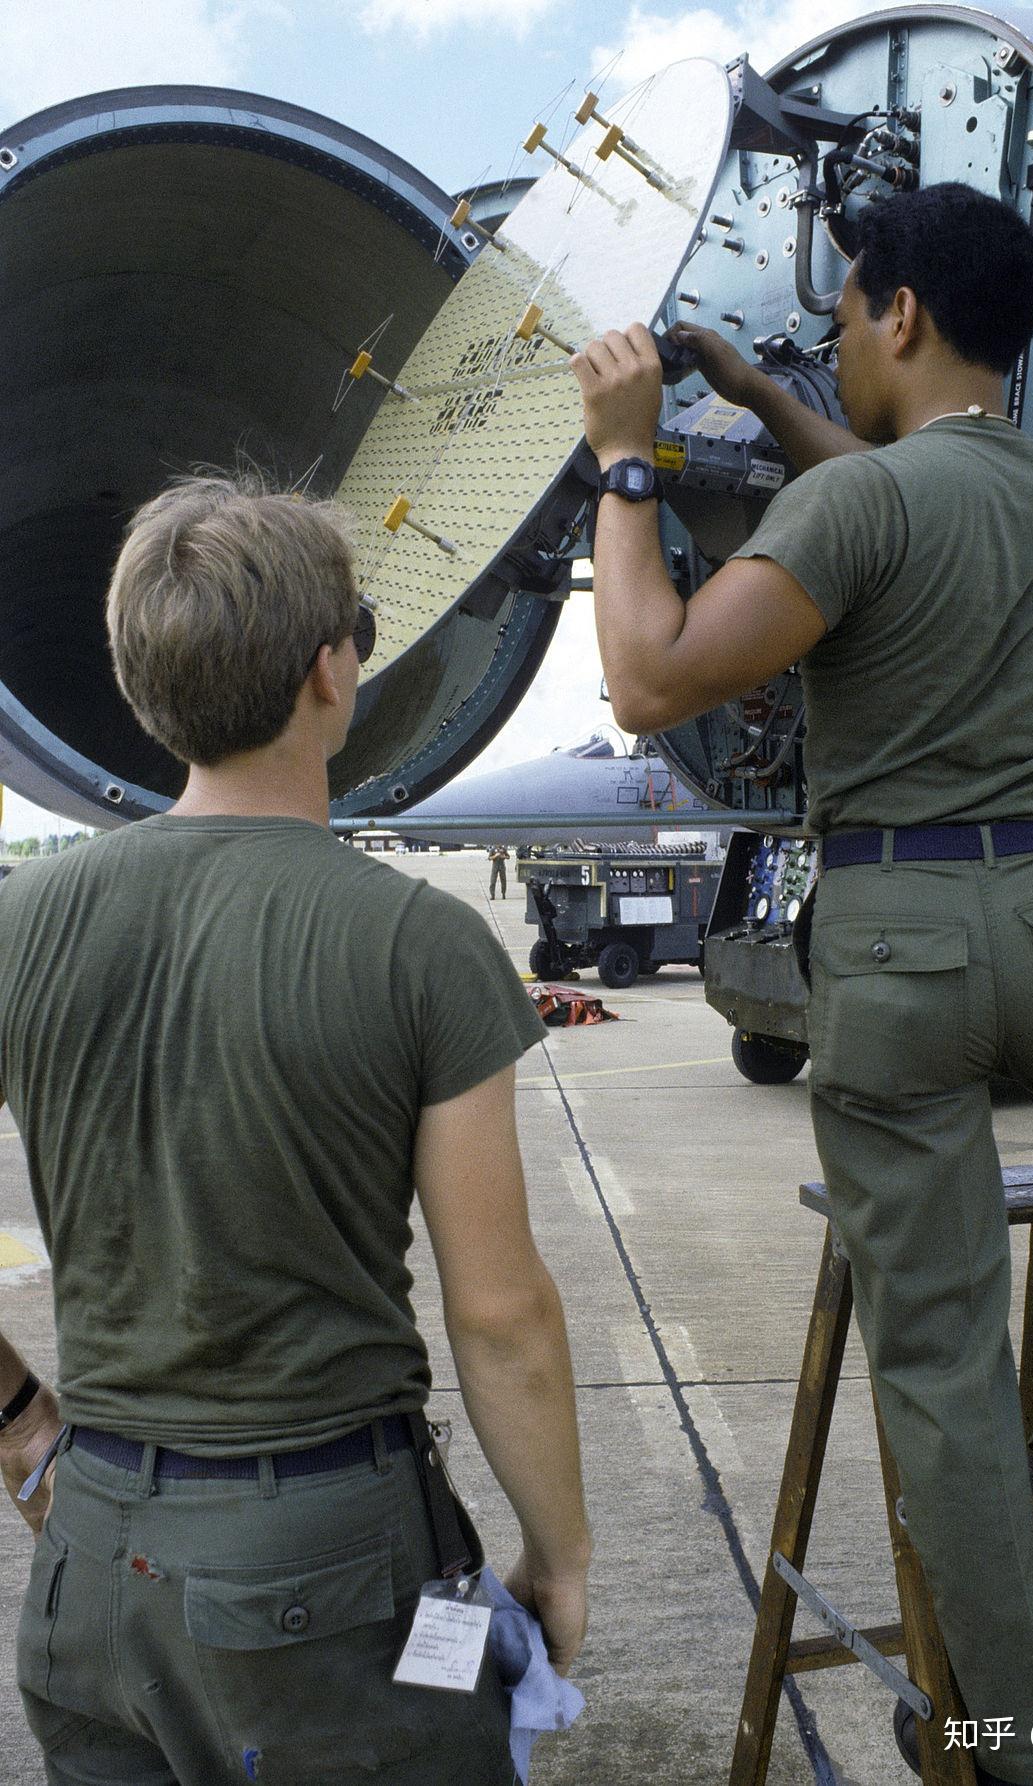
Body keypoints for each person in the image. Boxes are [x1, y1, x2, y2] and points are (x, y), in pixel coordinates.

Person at [569, 180, 1033, 1786]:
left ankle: (1025, 1750)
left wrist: (629, 460)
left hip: (899, 953)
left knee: (942, 1380)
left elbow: (646, 677)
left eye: (846, 317)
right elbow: (900, 487)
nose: (838, 342)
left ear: (900, 312)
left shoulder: (850, 519)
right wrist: (767, 390)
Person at [0, 474, 591, 1786]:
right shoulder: (423, 943)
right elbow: (500, 1312)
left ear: (144, 684)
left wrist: (19, 1423)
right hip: (326, 1564)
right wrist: (561, 1553)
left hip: (92, 1559)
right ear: (333, 672)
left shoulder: (23, 926)